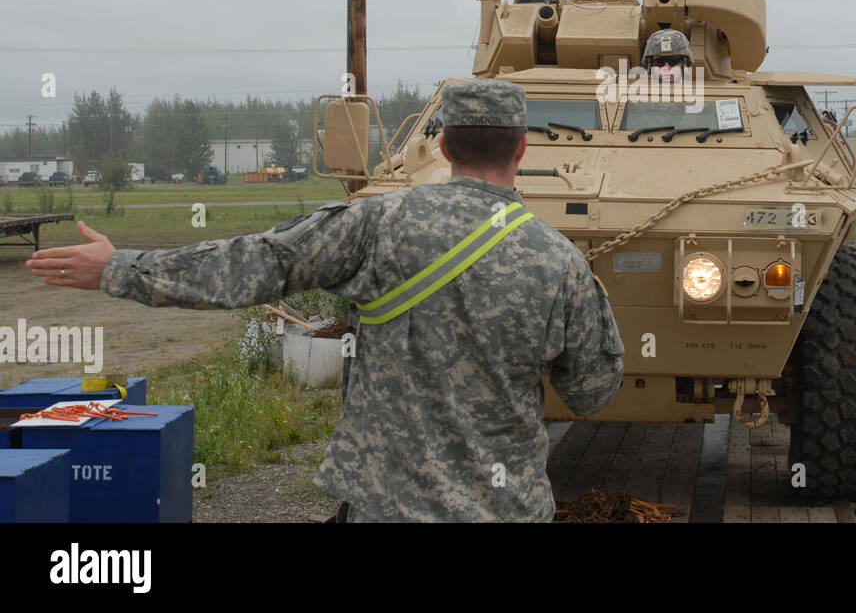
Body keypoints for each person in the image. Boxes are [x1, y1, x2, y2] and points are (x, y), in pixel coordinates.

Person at [26, 79, 625, 522]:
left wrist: (119, 267)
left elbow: (252, 265)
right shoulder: (560, 262)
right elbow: (592, 392)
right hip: (507, 507)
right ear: (522, 149)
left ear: (442, 148)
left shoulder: (374, 225)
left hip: (386, 507)